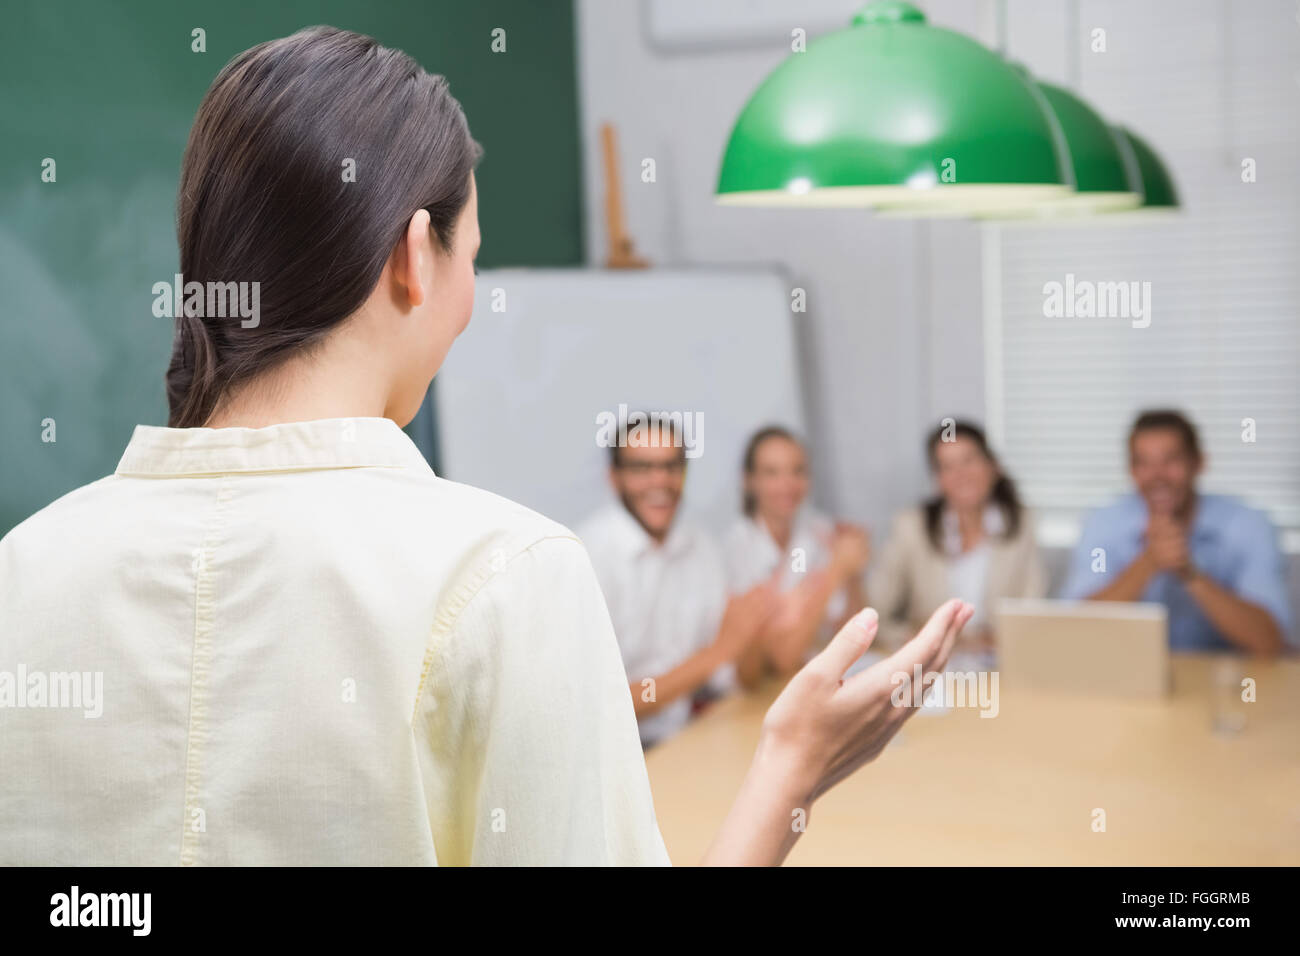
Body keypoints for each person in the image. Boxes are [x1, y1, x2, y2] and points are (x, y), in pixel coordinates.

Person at [0, 26, 974, 866]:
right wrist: (791, 767)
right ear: (413, 257)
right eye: (475, 257)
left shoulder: (22, 567)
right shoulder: (507, 575)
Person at [578, 418, 773, 748]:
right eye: (642, 468)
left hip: (690, 736)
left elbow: (738, 674)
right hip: (616, 757)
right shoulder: (586, 559)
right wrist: (718, 652)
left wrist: (752, 629)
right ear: (614, 478)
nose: (661, 480)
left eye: (672, 466)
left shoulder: (701, 546)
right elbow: (595, 709)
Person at [1062, 410, 1293, 654]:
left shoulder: (1246, 524)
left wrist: (1189, 572)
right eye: (1143, 463)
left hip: (1226, 685)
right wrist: (1149, 562)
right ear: (1131, 471)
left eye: (1171, 460)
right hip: (1127, 682)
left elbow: (1271, 643)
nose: (1157, 476)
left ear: (1199, 463)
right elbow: (1073, 631)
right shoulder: (1104, 523)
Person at [871, 420, 1046, 656]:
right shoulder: (910, 526)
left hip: (1000, 661)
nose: (961, 475)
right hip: (930, 662)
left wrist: (999, 639)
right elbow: (874, 610)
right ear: (938, 480)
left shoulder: (1022, 523)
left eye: (968, 461)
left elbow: (1032, 610)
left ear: (993, 466)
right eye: (947, 466)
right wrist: (911, 637)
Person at [723, 426, 869, 681]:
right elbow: (780, 658)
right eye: (772, 473)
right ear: (749, 480)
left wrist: (853, 575)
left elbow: (850, 627)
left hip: (808, 676)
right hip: (755, 692)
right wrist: (836, 571)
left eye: (797, 471)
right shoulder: (735, 551)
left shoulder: (818, 530)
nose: (787, 485)